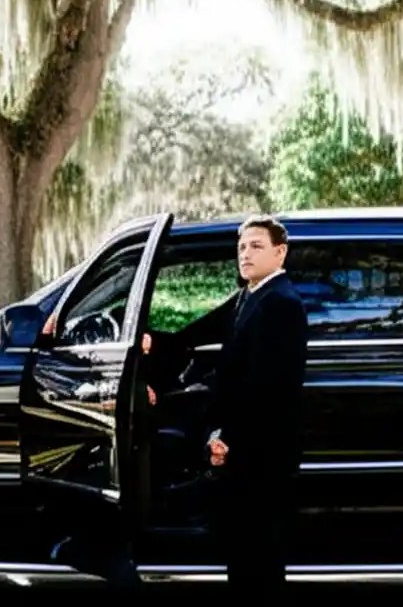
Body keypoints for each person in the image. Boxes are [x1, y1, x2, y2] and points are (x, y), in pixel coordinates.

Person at [144, 214, 309, 597]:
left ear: (280, 253)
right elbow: (195, 334)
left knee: (260, 551)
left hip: (264, 450)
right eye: (241, 247)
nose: (245, 254)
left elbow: (269, 387)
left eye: (256, 246)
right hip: (247, 446)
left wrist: (228, 438)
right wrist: (149, 341)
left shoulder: (281, 303)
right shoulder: (250, 297)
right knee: (243, 547)